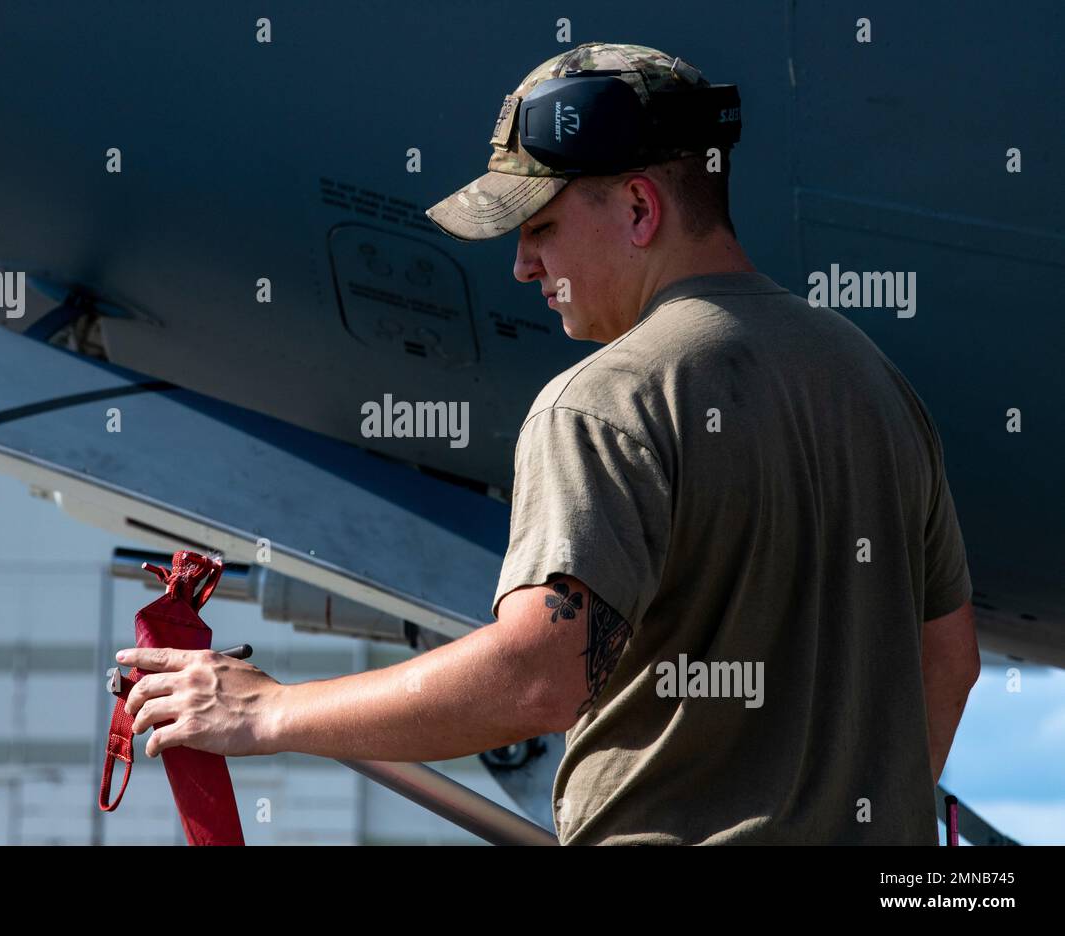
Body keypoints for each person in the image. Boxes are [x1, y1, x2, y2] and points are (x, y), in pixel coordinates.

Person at [117, 42, 980, 845]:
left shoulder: (604, 399)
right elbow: (951, 660)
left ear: (640, 207)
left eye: (540, 227)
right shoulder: (874, 384)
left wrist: (268, 714)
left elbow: (539, 675)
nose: (525, 267)